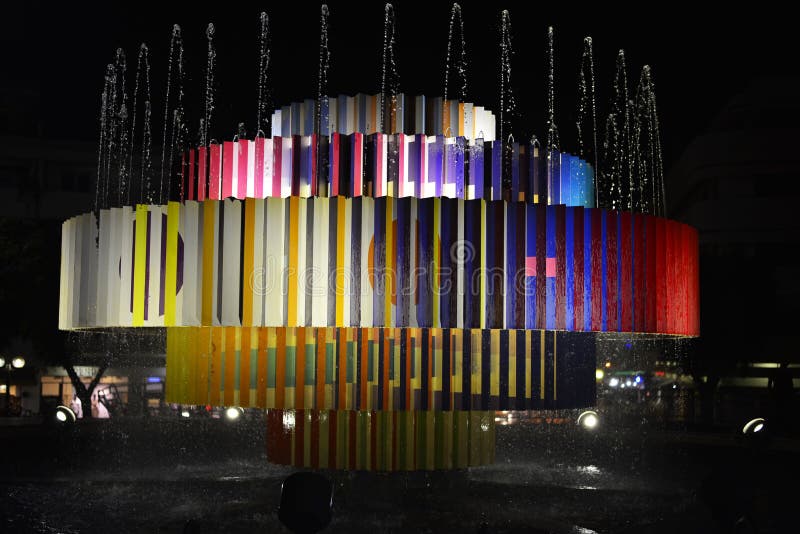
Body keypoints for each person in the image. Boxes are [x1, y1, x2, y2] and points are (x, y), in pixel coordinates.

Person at [767, 360, 794, 434]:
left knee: (777, 411)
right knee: (783, 412)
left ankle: (776, 427)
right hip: (784, 395)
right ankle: (782, 428)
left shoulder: (775, 372)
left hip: (777, 394)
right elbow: (791, 385)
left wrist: (770, 392)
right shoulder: (788, 373)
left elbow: (769, 383)